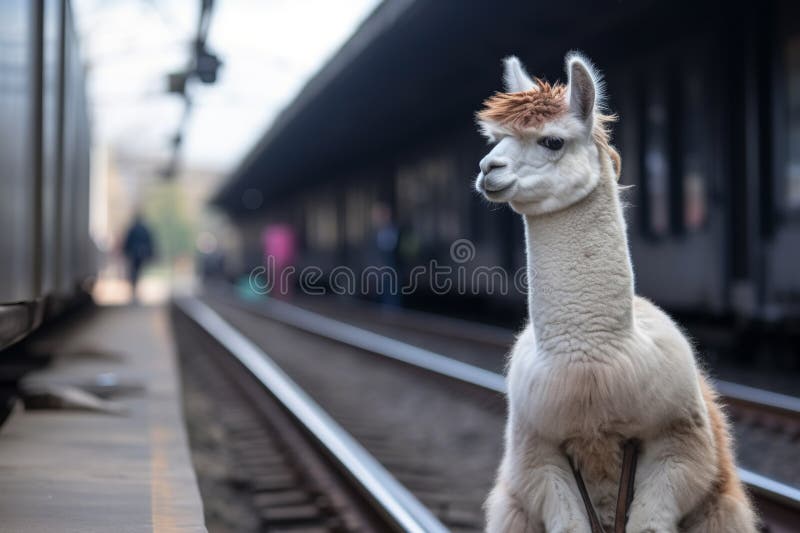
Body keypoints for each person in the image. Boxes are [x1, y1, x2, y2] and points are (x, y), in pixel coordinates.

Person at [122, 213, 155, 297]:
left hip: (133, 253)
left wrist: (126, 251)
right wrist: (150, 253)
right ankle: (135, 285)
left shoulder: (132, 229)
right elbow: (149, 242)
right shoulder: (144, 229)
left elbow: (127, 241)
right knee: (138, 270)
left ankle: (134, 286)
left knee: (134, 270)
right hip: (141, 253)